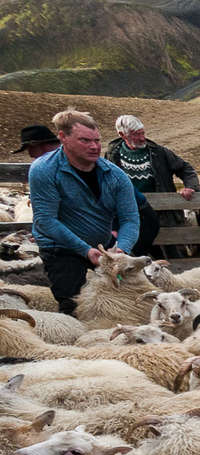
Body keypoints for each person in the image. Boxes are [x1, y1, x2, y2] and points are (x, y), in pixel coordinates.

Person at [28, 110, 140, 315]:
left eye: (97, 140)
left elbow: (130, 218)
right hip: (61, 248)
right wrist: (85, 250)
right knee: (75, 306)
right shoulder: (44, 170)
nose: (94, 146)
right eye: (85, 140)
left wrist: (121, 249)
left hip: (105, 250)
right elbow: (46, 220)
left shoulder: (114, 175)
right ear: (63, 138)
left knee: (129, 299)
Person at [104, 114, 200, 257]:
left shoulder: (158, 152)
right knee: (136, 255)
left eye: (143, 133)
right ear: (122, 135)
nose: (142, 138)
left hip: (164, 215)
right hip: (130, 216)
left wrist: (190, 187)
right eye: (136, 135)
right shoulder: (112, 156)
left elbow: (185, 169)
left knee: (172, 254)